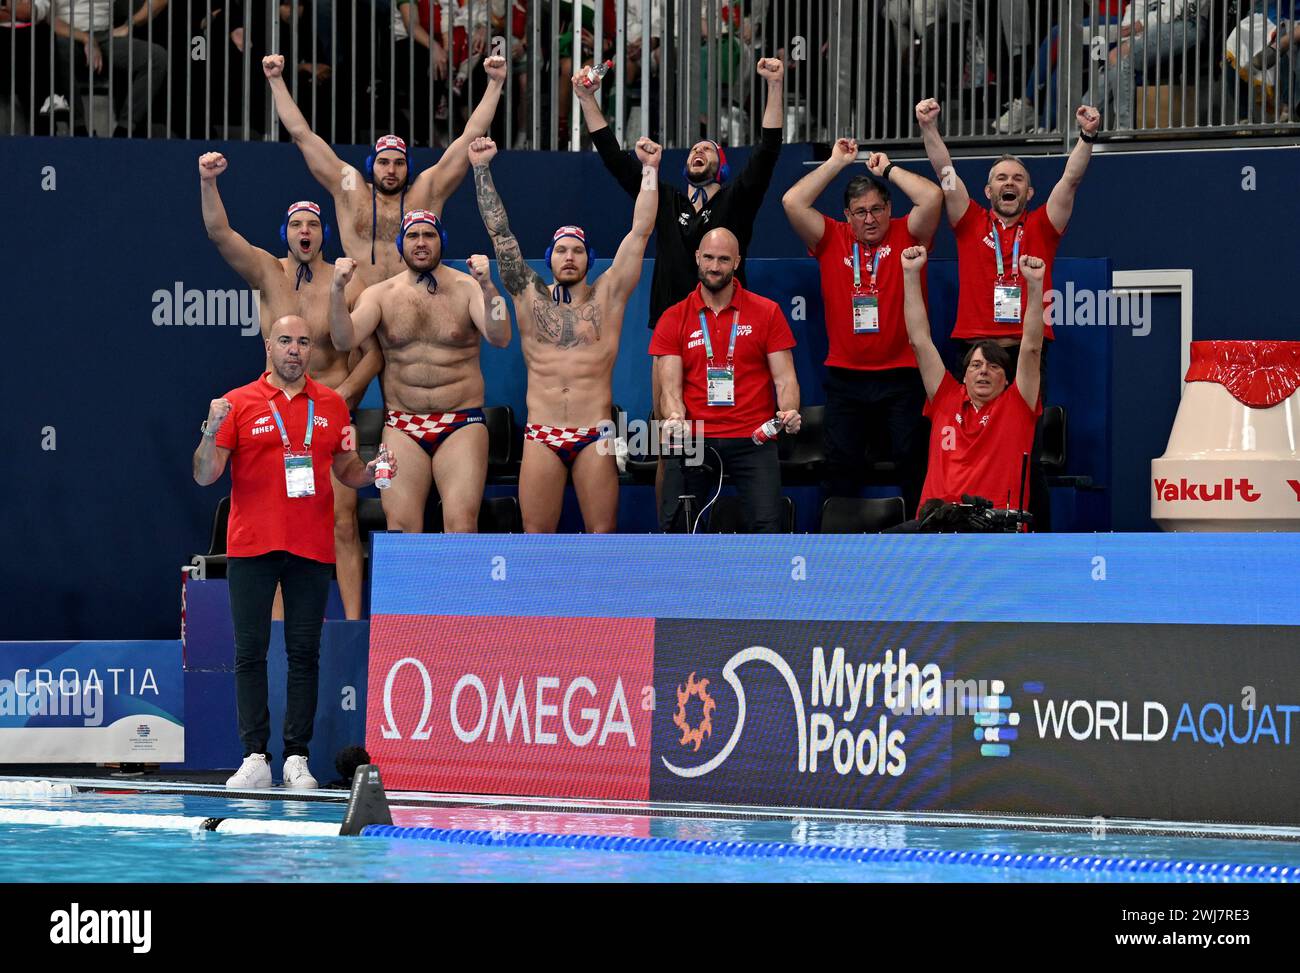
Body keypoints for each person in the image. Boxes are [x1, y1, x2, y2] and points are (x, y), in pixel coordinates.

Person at [193, 315, 397, 789]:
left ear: (310, 350)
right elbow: (205, 475)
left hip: (310, 546)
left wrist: (374, 473)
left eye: (303, 342)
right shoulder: (238, 404)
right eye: (285, 340)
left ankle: (296, 758)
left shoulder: (330, 406)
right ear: (269, 346)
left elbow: (347, 468)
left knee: (304, 655)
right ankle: (254, 757)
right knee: (251, 653)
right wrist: (210, 430)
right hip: (251, 545)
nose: (294, 350)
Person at [575, 55, 786, 504]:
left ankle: (731, 530)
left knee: (732, 440)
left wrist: (773, 86)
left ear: (722, 165)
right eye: (694, 147)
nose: (698, 150)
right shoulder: (663, 198)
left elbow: (768, 152)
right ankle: (671, 531)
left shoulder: (736, 200)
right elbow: (615, 159)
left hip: (729, 331)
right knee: (673, 442)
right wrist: (587, 99)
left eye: (709, 148)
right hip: (673, 337)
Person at [199, 152, 381, 620]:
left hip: (327, 414)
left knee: (342, 522)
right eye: (298, 224)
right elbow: (220, 233)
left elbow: (373, 355)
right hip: (278, 419)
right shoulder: (267, 272)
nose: (306, 232)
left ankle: (353, 625)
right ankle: (279, 630)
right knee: (278, 532)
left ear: (323, 234)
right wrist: (208, 181)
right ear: (288, 232)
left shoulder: (346, 282)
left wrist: (340, 398)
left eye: (314, 225)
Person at [916, 95, 1099, 531]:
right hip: (974, 351)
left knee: (1027, 455)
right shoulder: (969, 221)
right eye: (1001, 177)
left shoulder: (1043, 226)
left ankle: (1037, 540)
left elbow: (1069, 183)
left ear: (1029, 192)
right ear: (989, 190)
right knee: (962, 448)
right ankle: (954, 529)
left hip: (1025, 356)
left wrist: (1087, 136)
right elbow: (945, 174)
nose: (1009, 183)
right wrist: (929, 129)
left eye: (1017, 177)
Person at [469, 134, 658, 533]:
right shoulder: (526, 292)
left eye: (576, 250)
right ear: (550, 257)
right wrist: (481, 169)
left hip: (595, 433)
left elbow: (640, 231)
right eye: (561, 250)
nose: (569, 256)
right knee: (537, 539)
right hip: (542, 433)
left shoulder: (609, 295)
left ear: (589, 258)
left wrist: (650, 172)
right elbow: (501, 234)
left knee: (602, 537)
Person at [781, 137, 944, 516]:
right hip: (846, 379)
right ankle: (836, 553)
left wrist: (887, 169)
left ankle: (922, 544)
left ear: (889, 208)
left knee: (913, 464)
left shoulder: (909, 232)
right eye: (859, 212)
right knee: (840, 469)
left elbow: (933, 197)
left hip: (902, 376)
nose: (869, 219)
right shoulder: (831, 238)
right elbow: (792, 202)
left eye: (876, 209)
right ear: (847, 215)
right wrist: (837, 162)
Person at [329, 210, 511, 534]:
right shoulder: (380, 295)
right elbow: (344, 339)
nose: (422, 242)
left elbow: (500, 337)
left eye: (429, 235)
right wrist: (336, 291)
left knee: (460, 524)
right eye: (413, 236)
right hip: (402, 425)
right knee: (400, 527)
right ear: (401, 244)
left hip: (461, 421)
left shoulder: (467, 287)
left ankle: (459, 588)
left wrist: (488, 287)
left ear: (441, 241)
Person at [262, 51, 507, 287]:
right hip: (361, 302)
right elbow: (301, 134)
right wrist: (275, 80)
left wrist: (495, 83)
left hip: (410, 304)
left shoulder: (427, 190)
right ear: (371, 165)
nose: (391, 170)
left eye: (399, 163)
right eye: (383, 162)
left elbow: (470, 136)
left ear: (408, 167)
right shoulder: (349, 188)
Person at [651, 228, 801, 534]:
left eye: (723, 259)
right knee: (676, 527)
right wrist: (675, 416)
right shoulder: (673, 317)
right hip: (695, 439)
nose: (714, 266)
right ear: (697, 258)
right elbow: (669, 388)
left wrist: (789, 411)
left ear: (736, 262)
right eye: (708, 257)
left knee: (769, 528)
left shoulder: (767, 312)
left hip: (754, 439)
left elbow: (785, 380)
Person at [900, 246, 1045, 525]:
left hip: (996, 528)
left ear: (1006, 378)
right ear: (964, 374)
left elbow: (1031, 349)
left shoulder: (1018, 404)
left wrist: (1035, 286)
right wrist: (910, 274)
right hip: (937, 524)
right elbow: (919, 340)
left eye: (993, 366)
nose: (983, 372)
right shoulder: (945, 397)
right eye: (976, 366)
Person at [51, 0, 167, 137]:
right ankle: (78, 127)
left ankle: (125, 129)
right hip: (65, 33)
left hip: (105, 36)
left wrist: (130, 23)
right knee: (58, 51)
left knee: (156, 58)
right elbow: (46, 17)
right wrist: (87, 39)